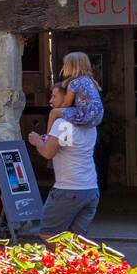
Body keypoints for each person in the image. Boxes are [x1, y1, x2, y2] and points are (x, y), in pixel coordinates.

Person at [30, 81, 100, 238]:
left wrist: (37, 141)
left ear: (68, 98)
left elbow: (48, 153)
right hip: (90, 188)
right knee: (76, 239)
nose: (51, 101)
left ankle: (66, 262)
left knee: (48, 233)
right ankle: (75, 263)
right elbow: (69, 143)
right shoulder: (90, 124)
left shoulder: (63, 123)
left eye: (54, 96)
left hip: (68, 188)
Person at [49, 51, 104, 129]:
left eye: (65, 65)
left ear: (71, 67)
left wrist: (58, 109)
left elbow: (66, 104)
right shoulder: (89, 80)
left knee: (53, 112)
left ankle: (48, 137)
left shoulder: (74, 83)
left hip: (84, 115)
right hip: (98, 116)